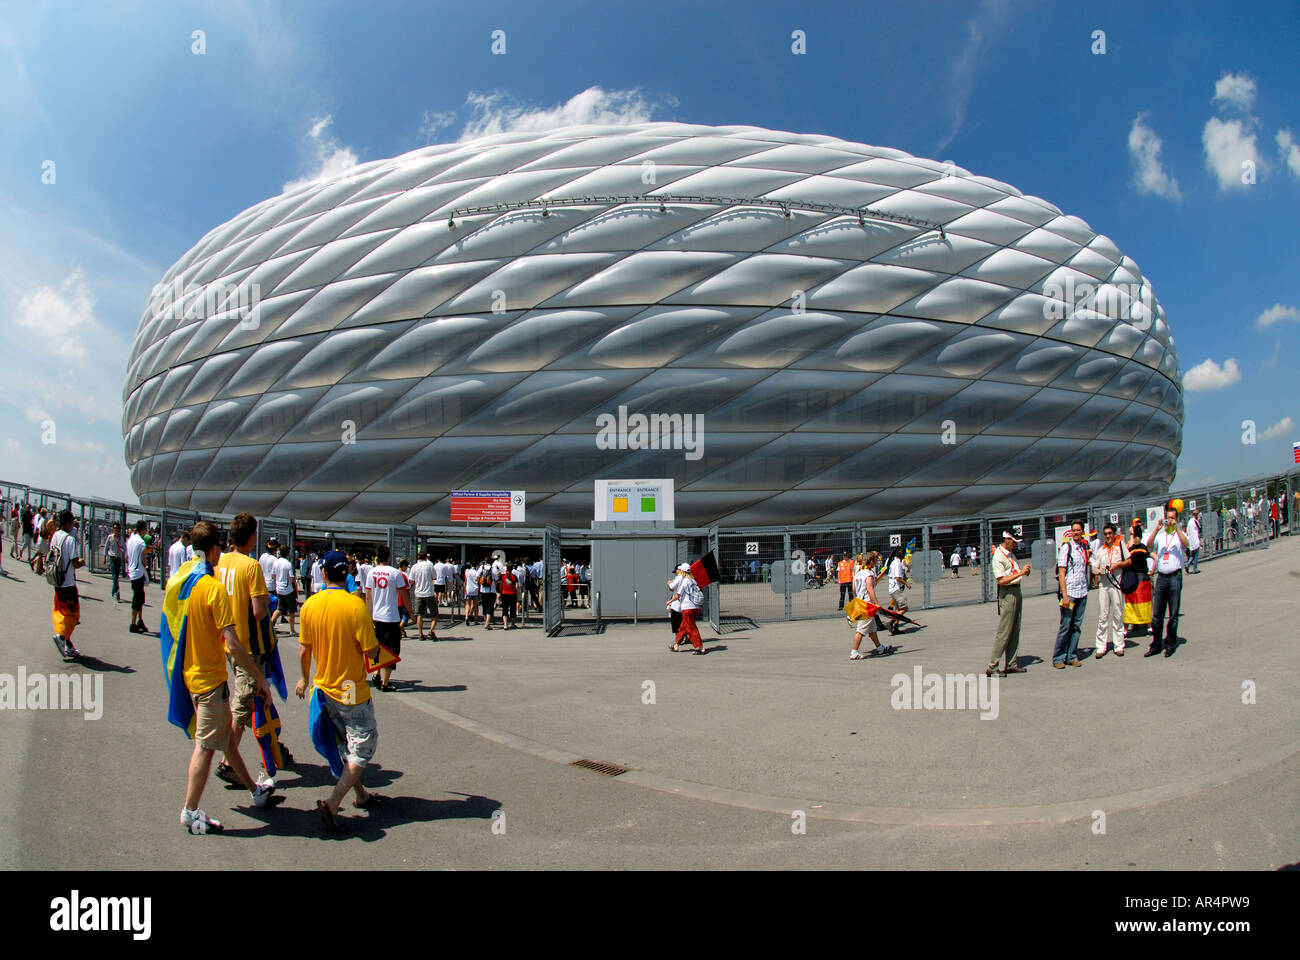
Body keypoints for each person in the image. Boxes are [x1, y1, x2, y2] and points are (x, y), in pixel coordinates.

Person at [170, 521, 276, 835]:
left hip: (192, 672)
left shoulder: (186, 582)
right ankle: (190, 811)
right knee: (205, 746)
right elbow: (232, 641)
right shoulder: (213, 588)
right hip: (209, 678)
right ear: (214, 549)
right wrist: (259, 677)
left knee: (226, 739)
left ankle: (255, 791)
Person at [295, 549, 382, 832]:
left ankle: (361, 795)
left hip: (323, 687)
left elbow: (303, 650)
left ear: (323, 573)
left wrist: (303, 679)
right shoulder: (355, 606)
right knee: (363, 746)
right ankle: (332, 803)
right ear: (348, 575)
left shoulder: (310, 605)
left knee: (345, 745)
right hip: (350, 689)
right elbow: (370, 649)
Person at [214, 513, 287, 789]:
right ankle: (227, 762)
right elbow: (258, 611)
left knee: (257, 695)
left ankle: (275, 742)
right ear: (253, 536)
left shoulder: (220, 562)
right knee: (242, 706)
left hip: (227, 640)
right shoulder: (250, 567)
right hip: (249, 646)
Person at [1145, 504, 1188, 658]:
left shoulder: (1178, 534)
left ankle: (1170, 643)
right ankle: (1156, 644)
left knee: (1173, 614)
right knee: (1157, 614)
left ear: (1176, 519)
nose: (1169, 521)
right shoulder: (1161, 536)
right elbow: (1148, 545)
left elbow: (1186, 543)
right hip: (1161, 577)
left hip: (1175, 577)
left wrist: (1177, 528)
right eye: (1168, 518)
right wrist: (1156, 529)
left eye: (1172, 518)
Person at [364, 545, 409, 691]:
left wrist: (368, 615)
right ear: (389, 556)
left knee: (378, 646)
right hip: (391, 616)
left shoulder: (372, 573)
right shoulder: (395, 573)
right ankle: (385, 682)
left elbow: (368, 596)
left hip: (376, 616)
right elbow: (404, 595)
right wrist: (411, 613)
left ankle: (377, 673)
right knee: (393, 649)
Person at [988, 531, 1029, 676]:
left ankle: (1011, 663)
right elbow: (1001, 580)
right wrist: (1020, 573)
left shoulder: (1010, 554)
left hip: (1016, 590)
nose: (1016, 544)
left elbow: (1013, 571)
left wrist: (1022, 572)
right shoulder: (999, 556)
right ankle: (992, 665)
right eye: (1014, 541)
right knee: (1004, 631)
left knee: (1015, 628)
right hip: (1007, 593)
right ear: (1007, 540)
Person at [1052, 520, 1090, 669]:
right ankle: (1058, 658)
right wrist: (1065, 595)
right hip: (1070, 592)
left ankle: (1071, 655)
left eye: (1078, 530)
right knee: (1066, 626)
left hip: (1082, 591)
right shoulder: (1067, 548)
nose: (1075, 532)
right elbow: (1062, 573)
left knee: (1076, 626)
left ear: (1082, 532)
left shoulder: (1083, 547)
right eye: (1073, 530)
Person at [49, 509, 85, 661]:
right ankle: (62, 637)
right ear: (69, 523)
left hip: (57, 579)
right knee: (73, 615)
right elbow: (74, 563)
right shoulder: (70, 540)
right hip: (68, 582)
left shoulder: (56, 535)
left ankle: (68, 644)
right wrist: (82, 562)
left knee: (59, 612)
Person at [1091, 523, 1130, 658]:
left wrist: (1117, 565)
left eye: (1110, 533)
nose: (1108, 536)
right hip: (1104, 585)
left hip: (1117, 584)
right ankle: (1101, 646)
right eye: (1106, 534)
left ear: (1114, 534)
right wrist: (1100, 570)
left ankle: (1119, 645)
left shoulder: (1120, 545)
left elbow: (1129, 561)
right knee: (1103, 615)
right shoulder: (1101, 550)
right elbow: (1094, 568)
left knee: (1118, 614)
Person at [849, 552, 894, 660]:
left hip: (860, 603)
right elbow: (870, 588)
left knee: (872, 629)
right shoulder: (869, 573)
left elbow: (854, 589)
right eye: (875, 560)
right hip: (867, 604)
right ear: (871, 561)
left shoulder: (859, 573)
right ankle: (854, 652)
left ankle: (880, 648)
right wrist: (876, 602)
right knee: (861, 630)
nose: (876, 562)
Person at [668, 567, 706, 655]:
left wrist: (670, 601)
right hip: (694, 607)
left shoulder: (685, 581)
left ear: (683, 572)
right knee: (683, 627)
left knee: (691, 628)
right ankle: (676, 645)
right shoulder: (693, 581)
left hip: (687, 608)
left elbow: (678, 595)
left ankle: (700, 648)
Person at [126, 519, 150, 633]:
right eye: (146, 529)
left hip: (132, 570)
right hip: (138, 572)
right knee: (137, 599)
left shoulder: (131, 539)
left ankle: (140, 620)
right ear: (143, 529)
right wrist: (145, 564)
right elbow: (144, 560)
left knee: (140, 597)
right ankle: (133, 623)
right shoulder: (141, 543)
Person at [410, 551, 438, 641]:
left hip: (418, 593)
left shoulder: (414, 567)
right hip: (429, 592)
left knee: (419, 614)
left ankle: (420, 634)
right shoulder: (430, 565)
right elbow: (434, 577)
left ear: (418, 557)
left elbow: (411, 580)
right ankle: (431, 630)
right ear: (426, 557)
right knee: (434, 614)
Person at [271, 546, 299, 635]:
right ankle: (292, 630)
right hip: (288, 589)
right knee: (291, 610)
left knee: (279, 608)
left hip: (279, 588)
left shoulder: (276, 563)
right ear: (288, 553)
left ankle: (270, 625)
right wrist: (295, 585)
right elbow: (292, 578)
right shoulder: (288, 564)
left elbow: (273, 576)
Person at [885, 547, 909, 636]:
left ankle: (895, 628)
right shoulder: (898, 564)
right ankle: (891, 623)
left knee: (898, 609)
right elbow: (898, 578)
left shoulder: (894, 562)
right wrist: (906, 584)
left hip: (892, 587)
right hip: (896, 589)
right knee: (904, 608)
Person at [104, 521, 125, 604]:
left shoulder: (121, 538)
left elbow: (124, 548)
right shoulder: (110, 537)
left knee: (116, 577)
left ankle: (114, 592)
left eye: (117, 528)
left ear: (119, 530)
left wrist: (122, 550)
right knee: (114, 577)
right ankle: (117, 595)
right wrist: (105, 557)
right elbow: (106, 547)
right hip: (112, 558)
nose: (115, 529)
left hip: (118, 559)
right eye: (114, 528)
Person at [666, 563, 687, 636]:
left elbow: (671, 586)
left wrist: (669, 583)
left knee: (676, 621)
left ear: (679, 570)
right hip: (685, 603)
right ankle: (685, 637)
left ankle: (678, 639)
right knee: (684, 621)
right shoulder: (688, 578)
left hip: (677, 603)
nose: (676, 573)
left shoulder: (679, 577)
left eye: (676, 571)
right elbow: (672, 589)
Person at [499, 561, 520, 628]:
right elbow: (516, 587)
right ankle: (513, 623)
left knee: (505, 609)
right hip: (512, 594)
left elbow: (501, 586)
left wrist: (500, 592)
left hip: (504, 594)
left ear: (506, 569)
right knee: (512, 609)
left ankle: (505, 624)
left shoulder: (503, 577)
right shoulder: (514, 577)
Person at [463, 560, 480, 624]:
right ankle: (475, 619)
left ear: (471, 565)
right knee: (475, 605)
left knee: (467, 604)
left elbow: (466, 580)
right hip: (475, 589)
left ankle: (466, 616)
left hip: (468, 589)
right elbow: (478, 581)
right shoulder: (477, 572)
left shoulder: (467, 571)